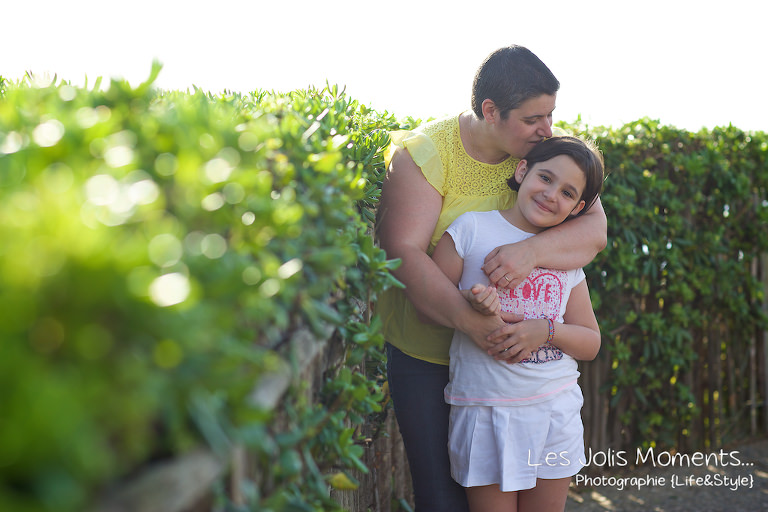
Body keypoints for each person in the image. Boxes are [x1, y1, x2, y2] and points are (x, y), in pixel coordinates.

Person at [377, 46, 607, 511]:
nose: (548, 129)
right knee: (444, 499)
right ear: (490, 111)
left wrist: (532, 251)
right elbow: (400, 252)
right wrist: (477, 321)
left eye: (551, 115)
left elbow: (594, 229)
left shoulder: (544, 155)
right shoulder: (424, 154)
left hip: (523, 376)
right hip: (429, 355)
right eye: (533, 118)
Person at [432, 135, 603, 511]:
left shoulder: (568, 253)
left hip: (555, 412)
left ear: (577, 209)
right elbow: (429, 302)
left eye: (568, 192)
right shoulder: (470, 230)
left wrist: (547, 330)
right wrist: (472, 303)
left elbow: (591, 341)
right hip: (485, 412)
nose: (551, 194)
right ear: (522, 170)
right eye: (546, 178)